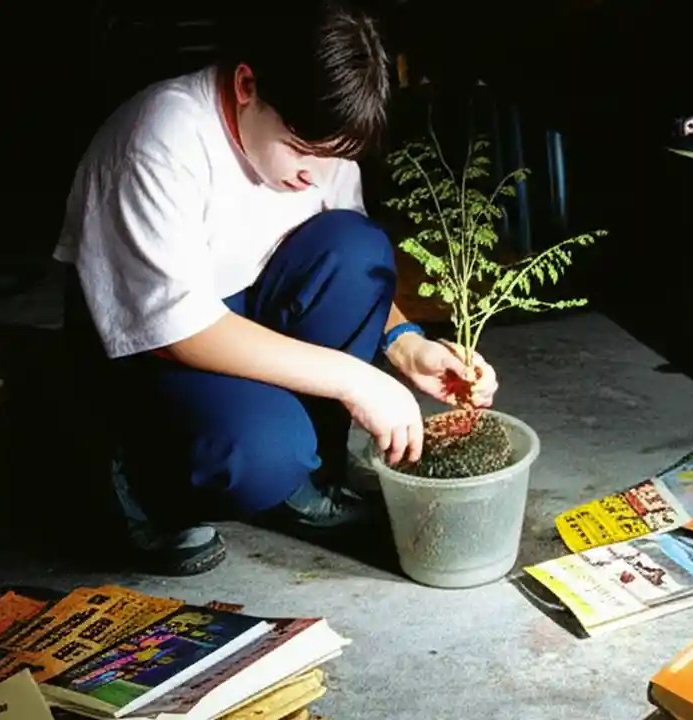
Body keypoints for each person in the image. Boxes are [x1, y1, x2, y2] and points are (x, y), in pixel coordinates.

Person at [55, 0, 497, 576]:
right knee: (259, 455)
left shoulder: (323, 141)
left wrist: (406, 343)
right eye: (301, 150)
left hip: (247, 313)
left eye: (333, 157)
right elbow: (175, 331)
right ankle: (141, 480)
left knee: (358, 247)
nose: (314, 173)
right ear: (246, 84)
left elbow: (349, 272)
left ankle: (297, 483)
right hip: (150, 348)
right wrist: (355, 378)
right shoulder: (161, 137)